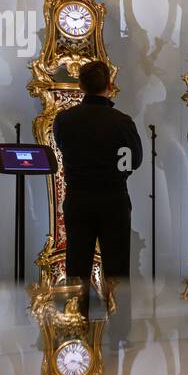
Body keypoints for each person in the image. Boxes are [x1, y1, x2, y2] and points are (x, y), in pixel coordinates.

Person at [53, 60, 143, 313]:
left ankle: (78, 321)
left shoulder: (64, 119)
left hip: (78, 198)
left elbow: (62, 147)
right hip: (113, 198)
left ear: (80, 85)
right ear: (110, 86)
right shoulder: (121, 121)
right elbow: (134, 160)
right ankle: (120, 329)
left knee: (77, 264)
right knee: (117, 268)